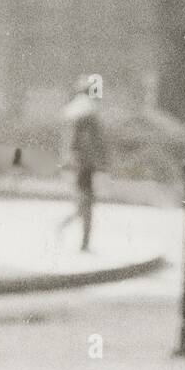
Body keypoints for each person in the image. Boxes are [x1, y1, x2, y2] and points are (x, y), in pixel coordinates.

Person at [59, 76, 108, 252]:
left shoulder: (77, 111)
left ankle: (79, 237)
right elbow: (94, 142)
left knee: (85, 202)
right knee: (86, 203)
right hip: (85, 165)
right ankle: (78, 237)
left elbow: (71, 142)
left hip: (81, 164)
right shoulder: (88, 113)